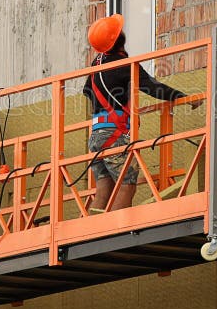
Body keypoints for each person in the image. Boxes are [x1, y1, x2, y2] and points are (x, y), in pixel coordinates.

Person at [82, 14, 200, 213]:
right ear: (120, 40)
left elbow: (87, 90)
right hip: (114, 134)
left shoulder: (97, 64)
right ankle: (115, 231)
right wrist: (182, 96)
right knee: (127, 183)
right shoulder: (123, 64)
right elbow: (151, 87)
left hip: (96, 134)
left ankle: (89, 231)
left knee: (104, 188)